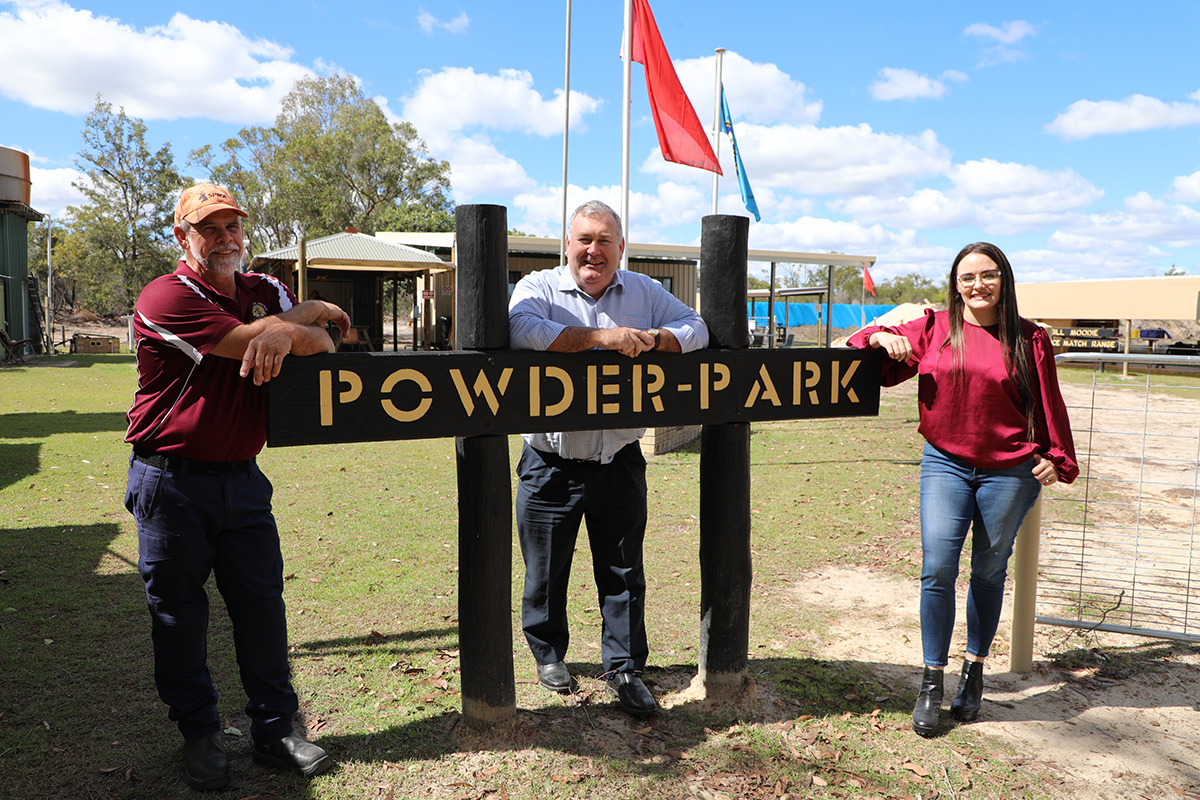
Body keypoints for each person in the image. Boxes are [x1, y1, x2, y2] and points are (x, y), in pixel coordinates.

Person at [124, 183, 351, 790]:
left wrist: (286, 328)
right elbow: (267, 338)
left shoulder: (263, 291)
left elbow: (326, 346)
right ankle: (200, 732)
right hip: (171, 481)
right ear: (182, 235)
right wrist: (298, 322)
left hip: (244, 480)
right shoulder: (166, 296)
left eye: (232, 227)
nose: (225, 238)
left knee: (260, 607)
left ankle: (277, 731)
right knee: (178, 613)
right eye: (209, 228)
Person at [847, 242, 1077, 737]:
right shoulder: (933, 328)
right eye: (967, 277)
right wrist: (882, 338)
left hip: (1010, 471)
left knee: (989, 571)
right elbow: (859, 345)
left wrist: (1055, 457)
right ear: (955, 283)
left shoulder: (1030, 338)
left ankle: (973, 671)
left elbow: (1050, 402)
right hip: (945, 464)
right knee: (937, 568)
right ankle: (932, 680)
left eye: (987, 275)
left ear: (1004, 280)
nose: (977, 285)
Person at [508, 200, 709, 717]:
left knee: (622, 571)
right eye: (584, 239)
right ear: (567, 245)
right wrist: (606, 338)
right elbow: (523, 331)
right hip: (548, 461)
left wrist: (658, 339)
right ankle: (549, 655)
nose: (592, 250)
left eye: (604, 240)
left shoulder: (645, 291)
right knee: (545, 570)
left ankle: (624, 667)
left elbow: (697, 328)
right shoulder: (538, 287)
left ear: (621, 247)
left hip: (618, 459)